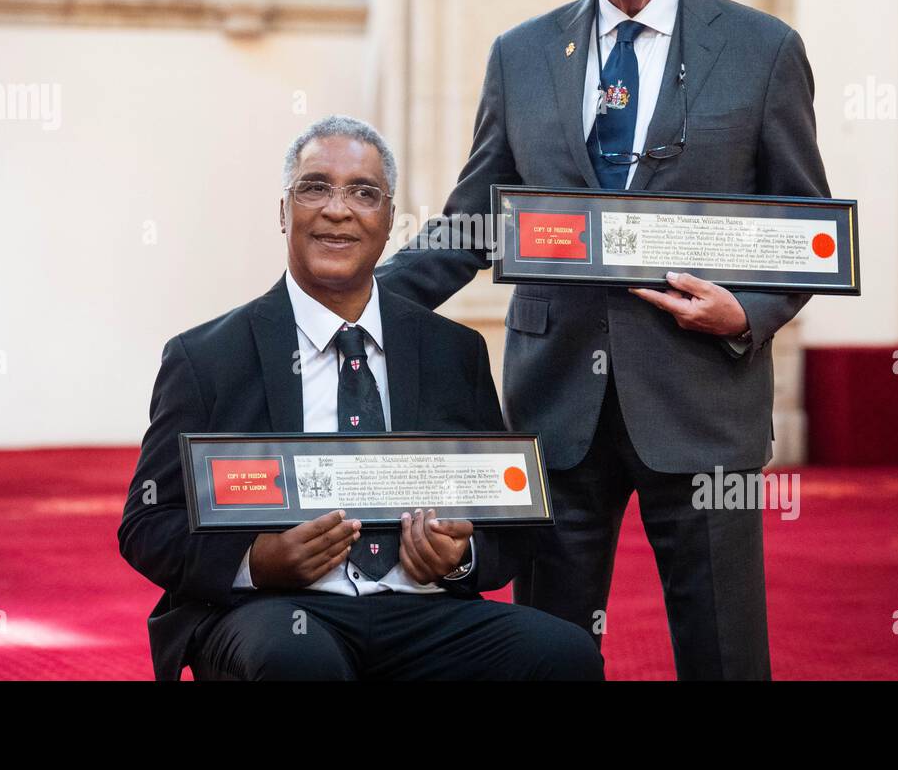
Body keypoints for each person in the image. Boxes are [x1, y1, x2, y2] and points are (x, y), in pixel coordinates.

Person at [375, 0, 831, 679]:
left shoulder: (763, 51)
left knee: (724, 654)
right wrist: (357, 305)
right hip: (555, 415)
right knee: (547, 652)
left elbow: (804, 224)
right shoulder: (523, 55)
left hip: (702, 403)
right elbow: (473, 220)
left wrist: (749, 312)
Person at [118, 115, 604, 681]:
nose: (337, 209)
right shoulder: (206, 358)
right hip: (273, 610)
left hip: (422, 608)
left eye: (363, 193)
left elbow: (508, 525)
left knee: (565, 655)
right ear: (284, 212)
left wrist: (458, 559)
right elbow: (147, 524)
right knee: (299, 661)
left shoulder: (454, 352)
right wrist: (257, 562)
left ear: (389, 219)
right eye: (315, 187)